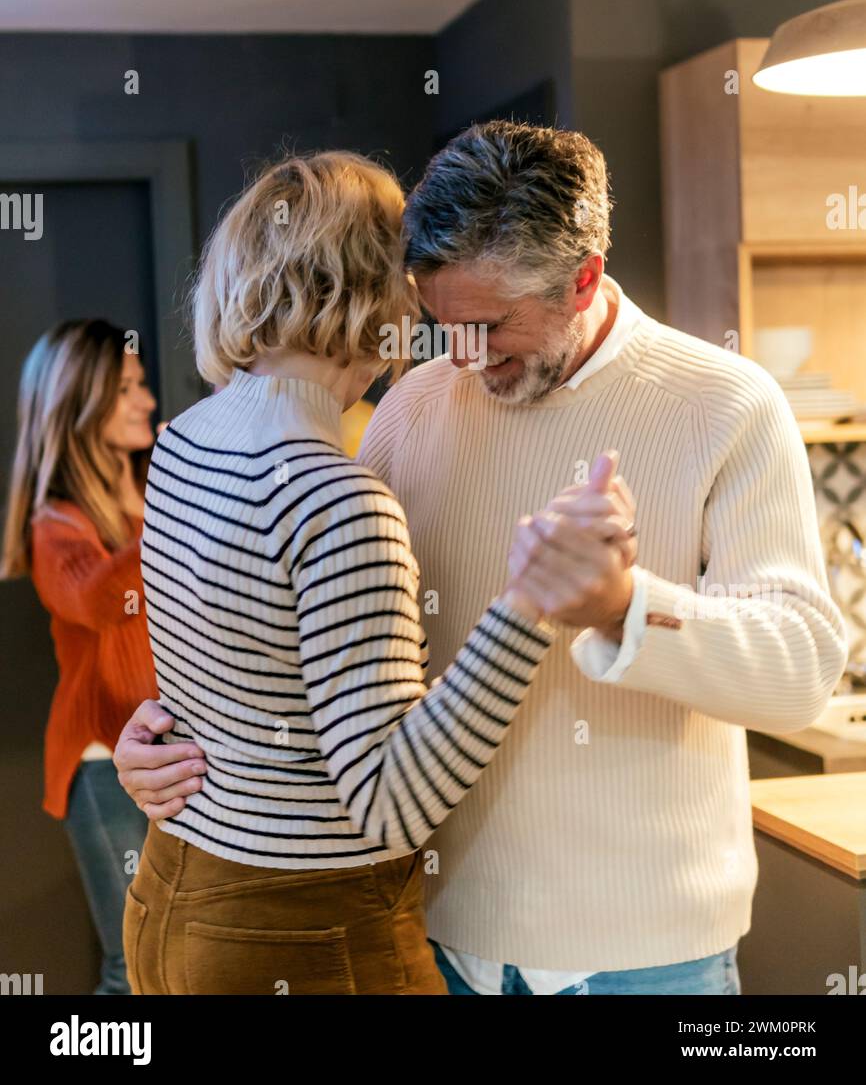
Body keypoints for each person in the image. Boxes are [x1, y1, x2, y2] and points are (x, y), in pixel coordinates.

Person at [118, 121, 846, 996]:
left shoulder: (727, 403)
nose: (459, 355)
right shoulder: (414, 406)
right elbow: (310, 622)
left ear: (582, 279)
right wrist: (173, 728)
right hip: (447, 936)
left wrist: (624, 605)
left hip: (649, 956)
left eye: (491, 324)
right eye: (437, 322)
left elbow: (803, 669)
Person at [116, 149, 635, 996]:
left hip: (177, 891)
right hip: (307, 928)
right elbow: (391, 803)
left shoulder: (181, 444)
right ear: (384, 295)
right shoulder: (337, 499)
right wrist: (529, 603)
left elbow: (235, 677)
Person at [1, 320, 159, 993]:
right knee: (133, 966)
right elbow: (98, 602)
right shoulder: (56, 523)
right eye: (127, 389)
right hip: (102, 766)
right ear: (81, 402)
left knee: (171, 956)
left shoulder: (154, 494)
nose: (148, 400)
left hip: (166, 753)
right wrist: (174, 524)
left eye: (143, 383)